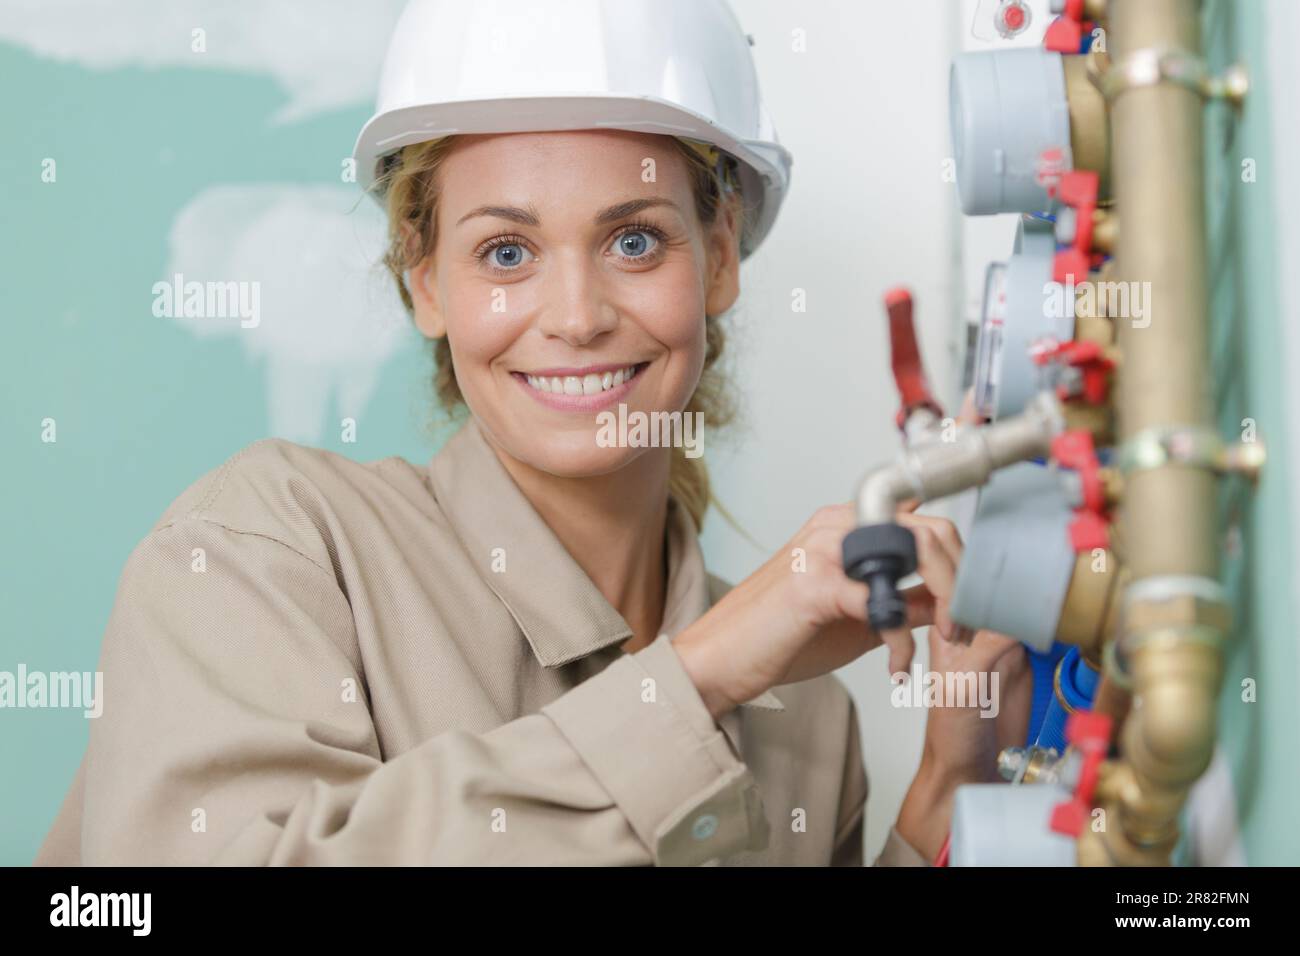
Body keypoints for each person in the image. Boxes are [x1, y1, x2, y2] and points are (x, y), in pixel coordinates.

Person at [35, 0, 1028, 867]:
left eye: (633, 239)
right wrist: (698, 676)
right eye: (504, 250)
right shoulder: (264, 551)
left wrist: (950, 776)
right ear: (425, 281)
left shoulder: (804, 713)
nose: (577, 314)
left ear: (719, 256)